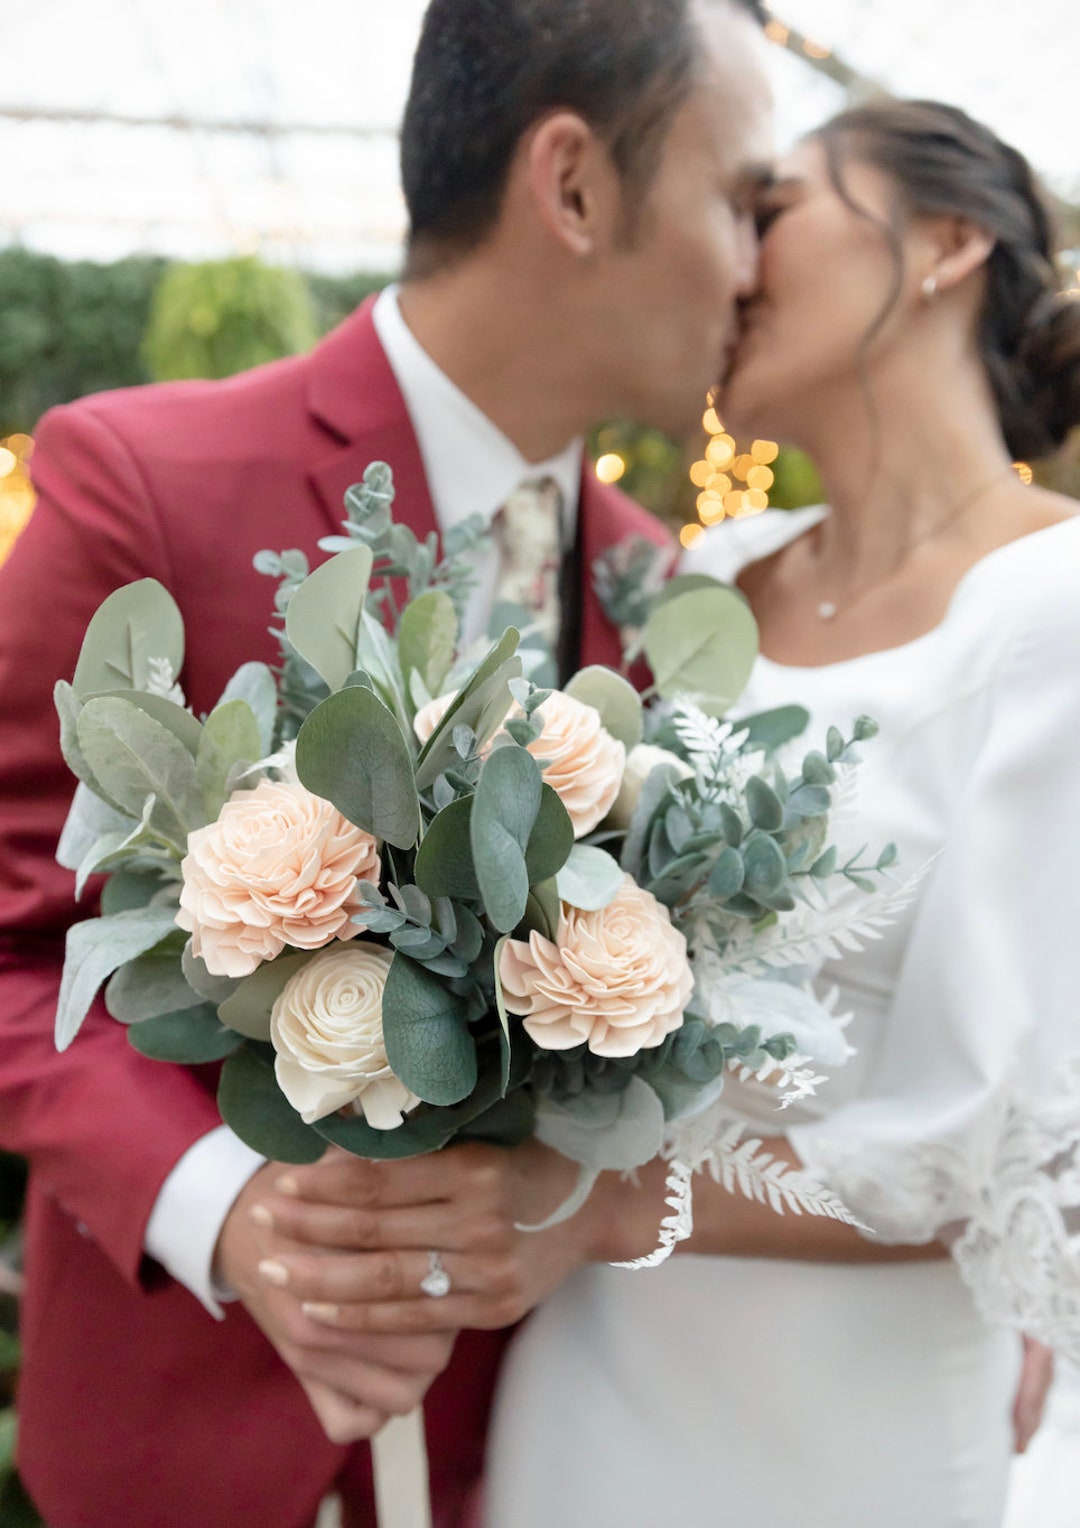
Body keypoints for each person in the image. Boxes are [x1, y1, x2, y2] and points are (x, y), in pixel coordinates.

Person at [0, 1, 775, 1523]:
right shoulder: (145, 483)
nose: (758, 266)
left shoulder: (662, 598)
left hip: (546, 1449)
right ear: (575, 187)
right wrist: (230, 1215)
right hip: (190, 1455)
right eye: (742, 198)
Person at [255, 99, 1080, 1527]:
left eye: (778, 210)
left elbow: (1001, 1151)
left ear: (946, 243)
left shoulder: (1053, 607)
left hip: (843, 1413)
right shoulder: (713, 572)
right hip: (589, 1372)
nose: (733, 262)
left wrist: (607, 1214)